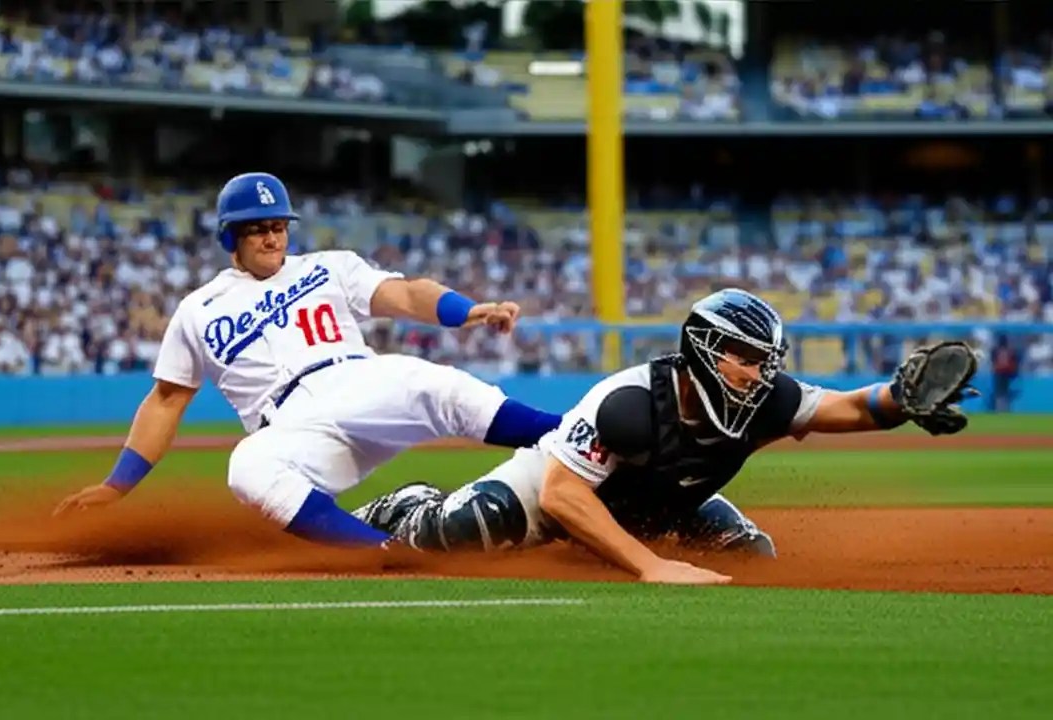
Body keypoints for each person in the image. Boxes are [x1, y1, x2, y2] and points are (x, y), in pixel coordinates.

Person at [53, 172, 561, 547]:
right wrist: (117, 485)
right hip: (291, 426)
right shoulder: (197, 310)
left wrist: (467, 310)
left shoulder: (327, 268)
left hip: (356, 381)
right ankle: (379, 552)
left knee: (435, 384)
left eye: (279, 225)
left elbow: (404, 295)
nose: (273, 237)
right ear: (230, 237)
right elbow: (166, 401)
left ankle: (579, 437)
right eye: (257, 228)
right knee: (247, 467)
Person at [354, 289, 978, 585]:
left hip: (663, 501)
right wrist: (652, 566)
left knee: (750, 559)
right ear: (706, 351)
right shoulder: (628, 404)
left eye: (768, 359)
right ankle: (408, 504)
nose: (762, 372)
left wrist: (901, 399)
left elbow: (850, 408)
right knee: (461, 535)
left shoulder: (770, 399)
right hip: (558, 488)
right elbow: (563, 494)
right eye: (748, 358)